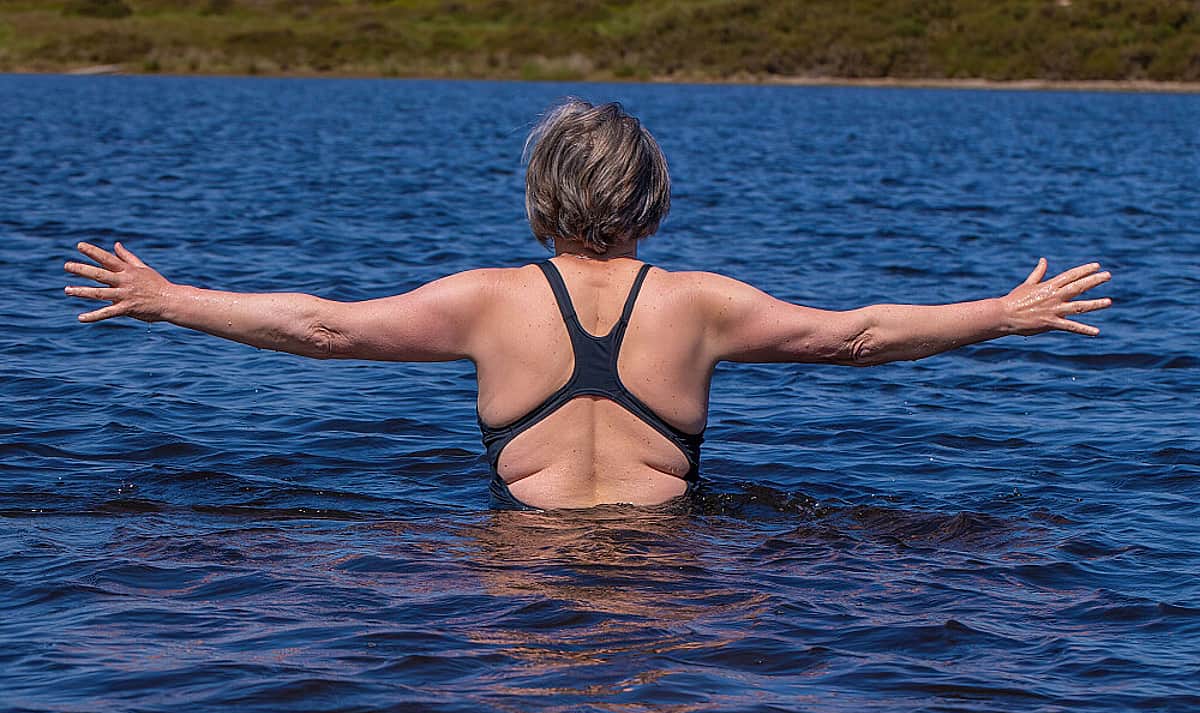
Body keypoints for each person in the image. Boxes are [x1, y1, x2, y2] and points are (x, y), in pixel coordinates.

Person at [64, 99, 1112, 511]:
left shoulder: (486, 303)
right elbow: (858, 337)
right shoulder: (700, 304)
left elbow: (326, 327)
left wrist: (169, 300)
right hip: (673, 569)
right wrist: (1001, 313)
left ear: (540, 195)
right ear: (652, 197)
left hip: (518, 567)